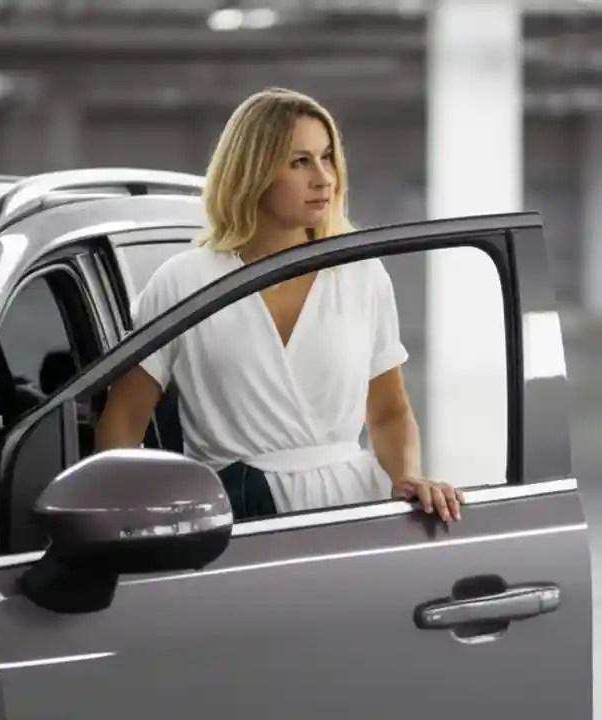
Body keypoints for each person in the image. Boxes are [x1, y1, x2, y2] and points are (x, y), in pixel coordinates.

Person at [95, 87, 463, 523]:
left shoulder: (360, 274)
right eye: (300, 161)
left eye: (327, 157)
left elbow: (388, 411)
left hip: (352, 509)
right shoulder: (183, 281)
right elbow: (122, 422)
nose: (324, 178)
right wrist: (127, 522)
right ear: (253, 171)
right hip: (228, 518)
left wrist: (408, 475)